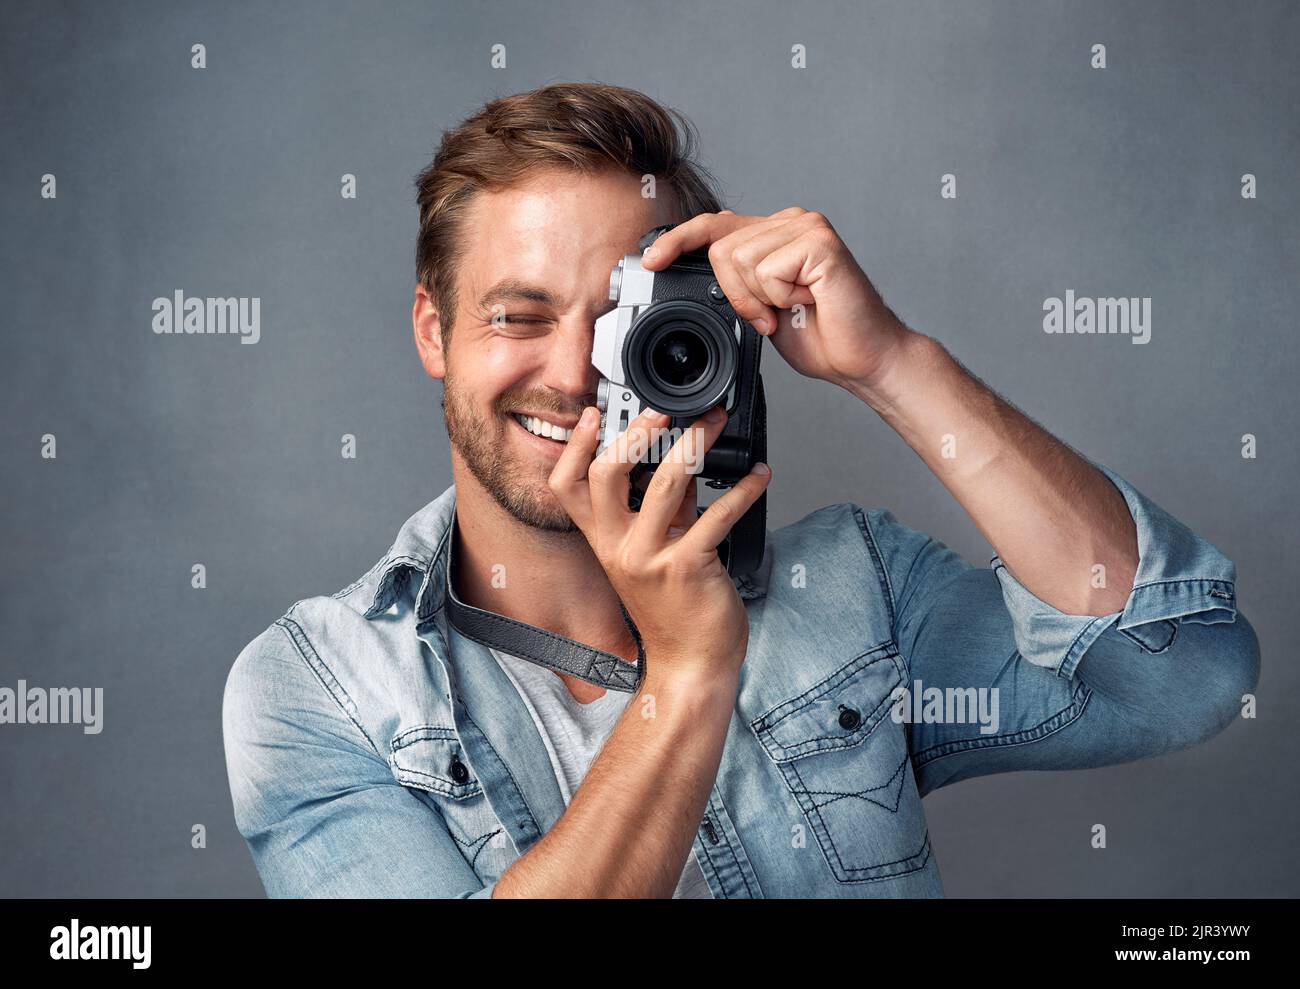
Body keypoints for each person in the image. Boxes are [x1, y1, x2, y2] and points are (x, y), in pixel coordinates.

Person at [221, 82, 1260, 898]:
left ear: (709, 326)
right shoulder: (319, 688)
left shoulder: (855, 588)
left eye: (629, 321)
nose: (577, 373)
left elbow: (1183, 675)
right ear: (433, 331)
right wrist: (685, 667)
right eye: (519, 316)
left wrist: (890, 361)